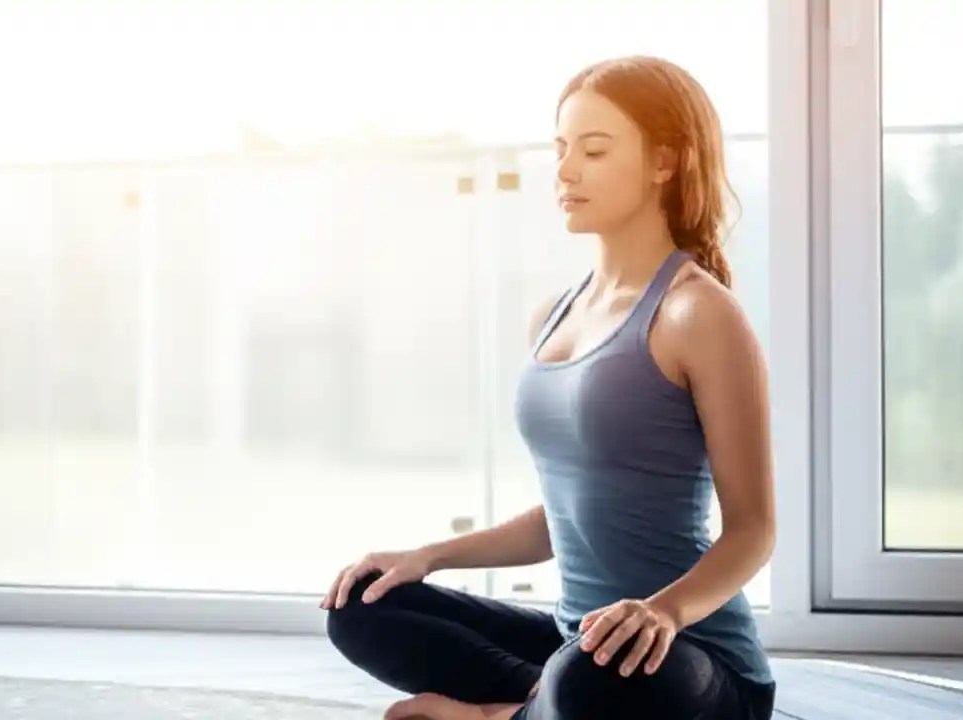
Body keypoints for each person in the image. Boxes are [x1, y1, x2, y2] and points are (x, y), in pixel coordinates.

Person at [320, 55, 777, 720]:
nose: (564, 172)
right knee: (362, 604)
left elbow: (754, 531)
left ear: (664, 162)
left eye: (593, 150)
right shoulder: (555, 315)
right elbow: (561, 516)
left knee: (598, 676)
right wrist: (426, 557)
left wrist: (662, 611)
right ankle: (532, 703)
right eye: (561, 149)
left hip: (690, 662)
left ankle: (498, 713)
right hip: (577, 641)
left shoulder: (696, 314)